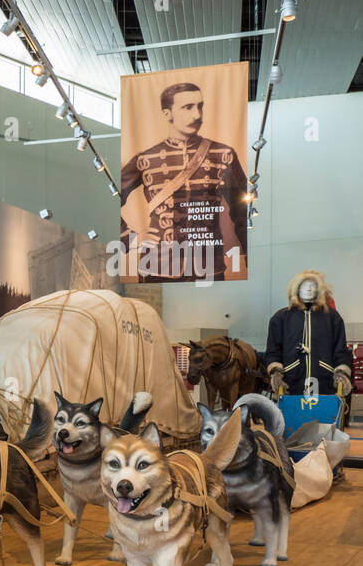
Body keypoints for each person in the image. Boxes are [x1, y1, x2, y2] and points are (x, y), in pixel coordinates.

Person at [120, 81, 247, 277]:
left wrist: (250, 257)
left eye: (199, 107)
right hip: (158, 265)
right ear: (167, 113)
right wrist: (131, 239)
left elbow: (243, 210)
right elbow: (110, 197)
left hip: (208, 264)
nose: (197, 115)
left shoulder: (223, 154)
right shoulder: (146, 159)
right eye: (187, 107)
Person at [265, 269, 353, 403]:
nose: (309, 288)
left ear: (320, 290)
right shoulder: (281, 318)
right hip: (290, 384)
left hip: (325, 383)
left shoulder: (332, 317)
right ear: (296, 289)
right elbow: (273, 351)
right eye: (304, 285)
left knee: (325, 416)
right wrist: (276, 373)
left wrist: (341, 373)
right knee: (292, 416)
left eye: (313, 285)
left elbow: (340, 351)